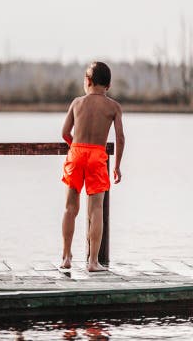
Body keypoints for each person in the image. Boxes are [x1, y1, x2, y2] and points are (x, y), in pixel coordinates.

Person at [60, 61, 125, 272]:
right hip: (97, 155)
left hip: (76, 152)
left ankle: (66, 257)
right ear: (109, 85)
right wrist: (116, 166)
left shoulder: (77, 103)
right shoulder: (113, 107)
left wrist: (76, 148)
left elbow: (64, 133)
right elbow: (121, 138)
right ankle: (93, 261)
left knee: (70, 208)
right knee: (96, 208)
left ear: (87, 81)